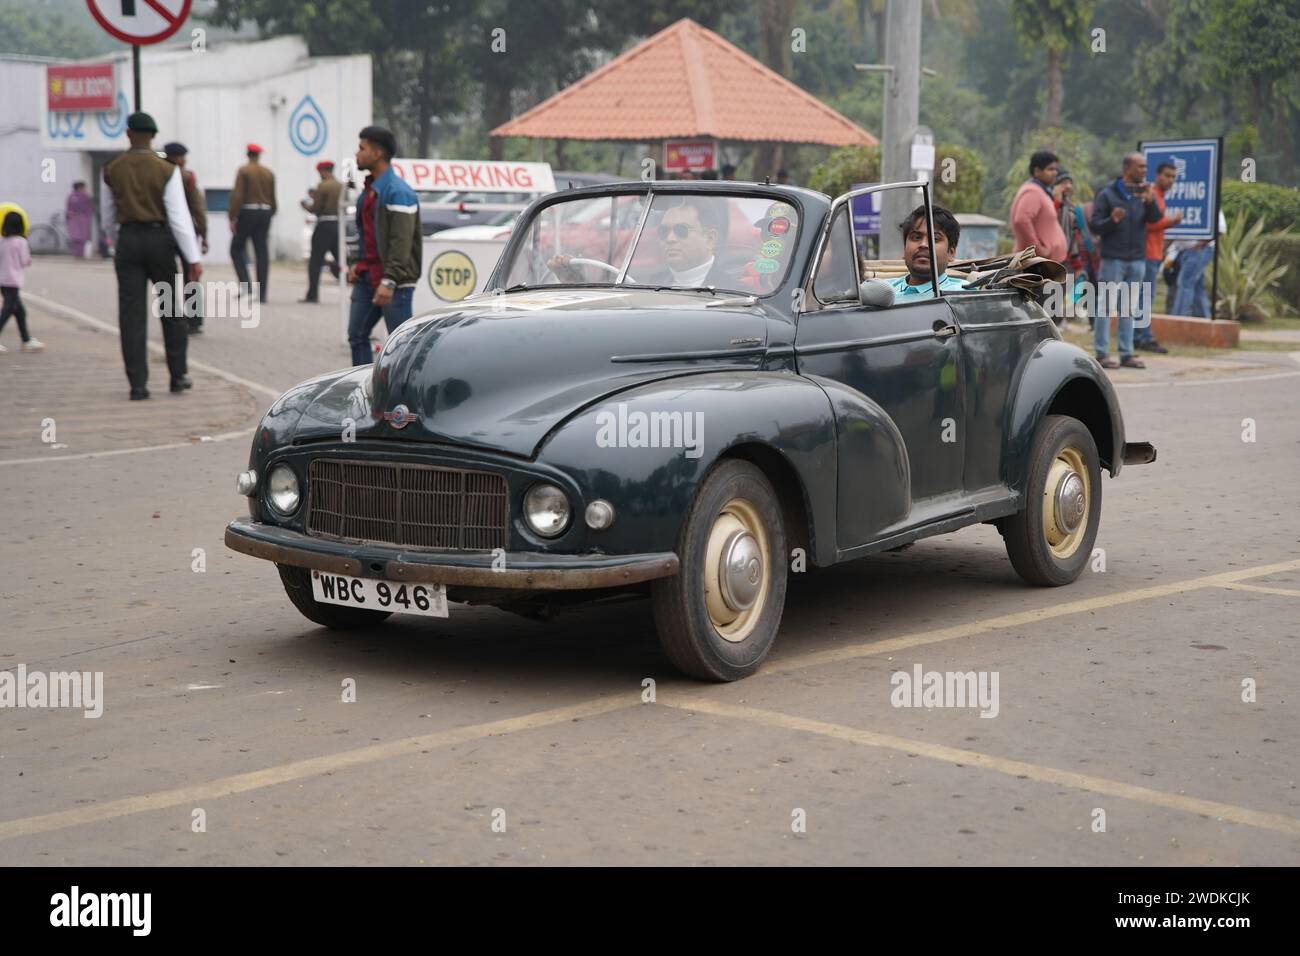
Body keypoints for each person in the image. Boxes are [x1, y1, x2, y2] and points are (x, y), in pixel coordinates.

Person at [102, 111, 203, 400]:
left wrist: (115, 241)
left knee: (131, 315)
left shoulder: (112, 168)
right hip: (160, 241)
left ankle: (137, 385)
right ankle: (178, 375)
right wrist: (193, 258)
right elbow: (179, 217)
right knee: (171, 308)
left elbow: (109, 214)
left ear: (128, 134)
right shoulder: (166, 169)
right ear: (153, 137)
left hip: (128, 242)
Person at [346, 126, 420, 366]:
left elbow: (402, 242)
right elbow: (364, 234)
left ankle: (402, 398)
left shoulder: (398, 192)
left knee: (401, 347)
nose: (357, 154)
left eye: (361, 148)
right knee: (357, 336)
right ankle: (364, 391)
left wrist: (389, 281)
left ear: (377, 154)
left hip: (394, 283)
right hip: (368, 277)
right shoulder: (367, 193)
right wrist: (357, 264)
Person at [1088, 153, 1161, 369]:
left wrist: (1150, 203)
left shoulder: (1144, 194)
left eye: (1146, 167)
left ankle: (1126, 353)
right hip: (1113, 260)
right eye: (1140, 167)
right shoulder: (1107, 194)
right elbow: (1096, 225)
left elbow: (1155, 219)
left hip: (1137, 259)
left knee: (1128, 308)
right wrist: (1113, 220)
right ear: (1127, 168)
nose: (1144, 171)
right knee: (1106, 306)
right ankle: (1102, 353)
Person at [1136, 161, 1183, 352]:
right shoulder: (1151, 195)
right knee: (1145, 297)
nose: (1170, 180)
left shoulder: (1161, 196)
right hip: (1146, 253)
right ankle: (1142, 337)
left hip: (1154, 253)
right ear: (1158, 176)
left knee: (1145, 297)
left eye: (1173, 177)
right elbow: (1148, 224)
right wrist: (1170, 222)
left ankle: (1141, 335)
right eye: (1167, 175)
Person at [163, 142, 208, 334]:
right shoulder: (187, 177)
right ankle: (194, 320)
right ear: (179, 158)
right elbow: (198, 208)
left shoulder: (158, 173)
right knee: (192, 275)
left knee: (165, 277)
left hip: (161, 232)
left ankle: (170, 319)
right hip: (185, 232)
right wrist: (204, 234)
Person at [887, 205, 967, 298]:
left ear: (951, 252)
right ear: (904, 249)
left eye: (934, 238)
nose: (924, 245)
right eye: (916, 237)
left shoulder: (962, 297)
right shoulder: (881, 292)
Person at [229, 143, 276, 303]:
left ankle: (246, 287)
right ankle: (263, 294)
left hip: (248, 211)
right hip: (265, 212)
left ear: (248, 154)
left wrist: (232, 217)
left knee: (236, 248)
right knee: (261, 251)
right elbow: (273, 198)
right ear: (258, 155)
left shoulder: (244, 171)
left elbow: (238, 196)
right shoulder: (268, 173)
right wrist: (271, 213)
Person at [1053, 168, 1097, 324]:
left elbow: (1074, 238)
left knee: (1060, 294)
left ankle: (1059, 324)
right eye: (1064, 182)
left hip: (1066, 259)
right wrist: (1056, 201)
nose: (1068, 186)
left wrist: (1078, 265)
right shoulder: (1049, 204)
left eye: (1070, 182)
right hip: (1047, 258)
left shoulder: (1072, 209)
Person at [1010, 150, 1067, 262]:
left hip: (1044, 262)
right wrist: (1038, 249)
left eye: (1055, 169)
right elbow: (1021, 220)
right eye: (1050, 169)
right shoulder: (1033, 192)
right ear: (1037, 171)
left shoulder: (1041, 191)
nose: (1055, 173)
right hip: (1037, 263)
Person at [0, 210, 43, 352]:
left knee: (20, 311)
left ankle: (26, 340)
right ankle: (26, 340)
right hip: (13, 281)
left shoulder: (2, 240)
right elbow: (25, 261)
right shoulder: (21, 242)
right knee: (8, 310)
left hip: (2, 280)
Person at [301, 160, 342, 303]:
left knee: (315, 261)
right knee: (341, 259)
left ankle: (312, 294)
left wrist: (306, 206)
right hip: (338, 225)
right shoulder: (341, 186)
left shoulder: (322, 186)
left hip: (324, 225)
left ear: (324, 171)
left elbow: (316, 208)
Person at [64, 182, 94, 259]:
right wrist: (70, 215)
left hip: (82, 219)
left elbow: (89, 208)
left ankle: (80, 254)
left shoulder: (86, 196)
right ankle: (77, 254)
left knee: (82, 238)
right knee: (76, 238)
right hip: (74, 219)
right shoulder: (72, 196)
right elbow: (68, 208)